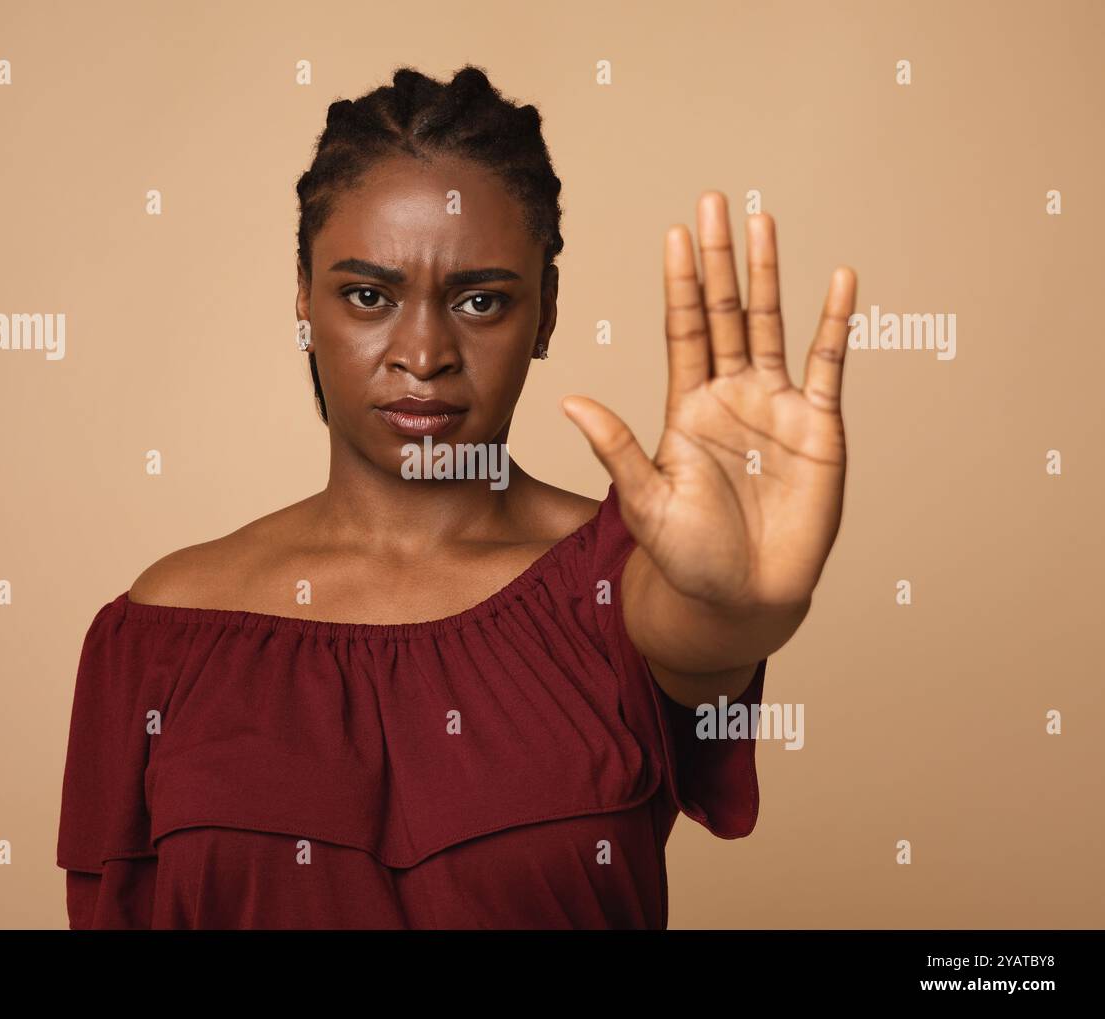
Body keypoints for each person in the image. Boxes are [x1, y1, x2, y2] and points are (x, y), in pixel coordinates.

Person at [56, 64, 856, 929]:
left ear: (546, 312)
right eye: (368, 295)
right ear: (302, 296)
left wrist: (735, 608)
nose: (424, 352)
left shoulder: (619, 581)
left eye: (480, 300)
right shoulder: (158, 631)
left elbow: (697, 640)